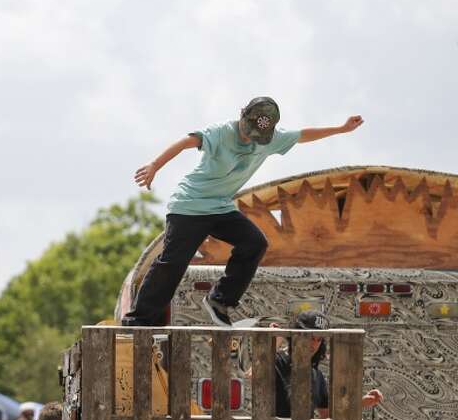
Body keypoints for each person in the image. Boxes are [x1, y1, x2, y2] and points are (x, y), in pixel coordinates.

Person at [124, 99, 364, 327]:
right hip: (190, 206)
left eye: (256, 137)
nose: (250, 139)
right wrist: (154, 165)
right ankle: (139, 318)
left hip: (221, 207)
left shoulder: (271, 139)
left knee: (255, 243)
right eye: (248, 132)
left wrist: (341, 129)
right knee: (173, 263)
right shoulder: (221, 132)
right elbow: (186, 142)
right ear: (242, 114)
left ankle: (220, 300)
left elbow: (303, 135)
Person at [273, 311, 382, 420]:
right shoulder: (278, 362)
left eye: (319, 340)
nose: (314, 344)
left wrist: (360, 402)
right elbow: (253, 374)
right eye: (311, 337)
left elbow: (327, 413)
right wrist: (275, 343)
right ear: (296, 335)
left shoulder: (315, 374)